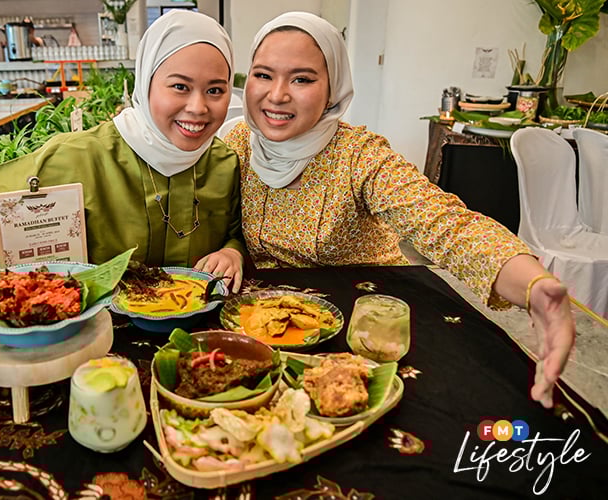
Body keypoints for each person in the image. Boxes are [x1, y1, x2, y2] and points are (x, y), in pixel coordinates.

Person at [223, 12, 575, 409]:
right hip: (270, 322)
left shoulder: (359, 156)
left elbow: (443, 224)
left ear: (333, 87)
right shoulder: (240, 143)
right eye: (263, 75)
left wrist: (534, 287)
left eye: (302, 79)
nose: (276, 95)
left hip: (367, 325)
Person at [0, 10, 244, 313]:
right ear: (146, 83)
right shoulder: (80, 156)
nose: (198, 107)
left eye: (215, 90)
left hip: (199, 338)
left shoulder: (223, 163)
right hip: (96, 339)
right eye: (180, 86)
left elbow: (234, 232)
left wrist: (232, 252)